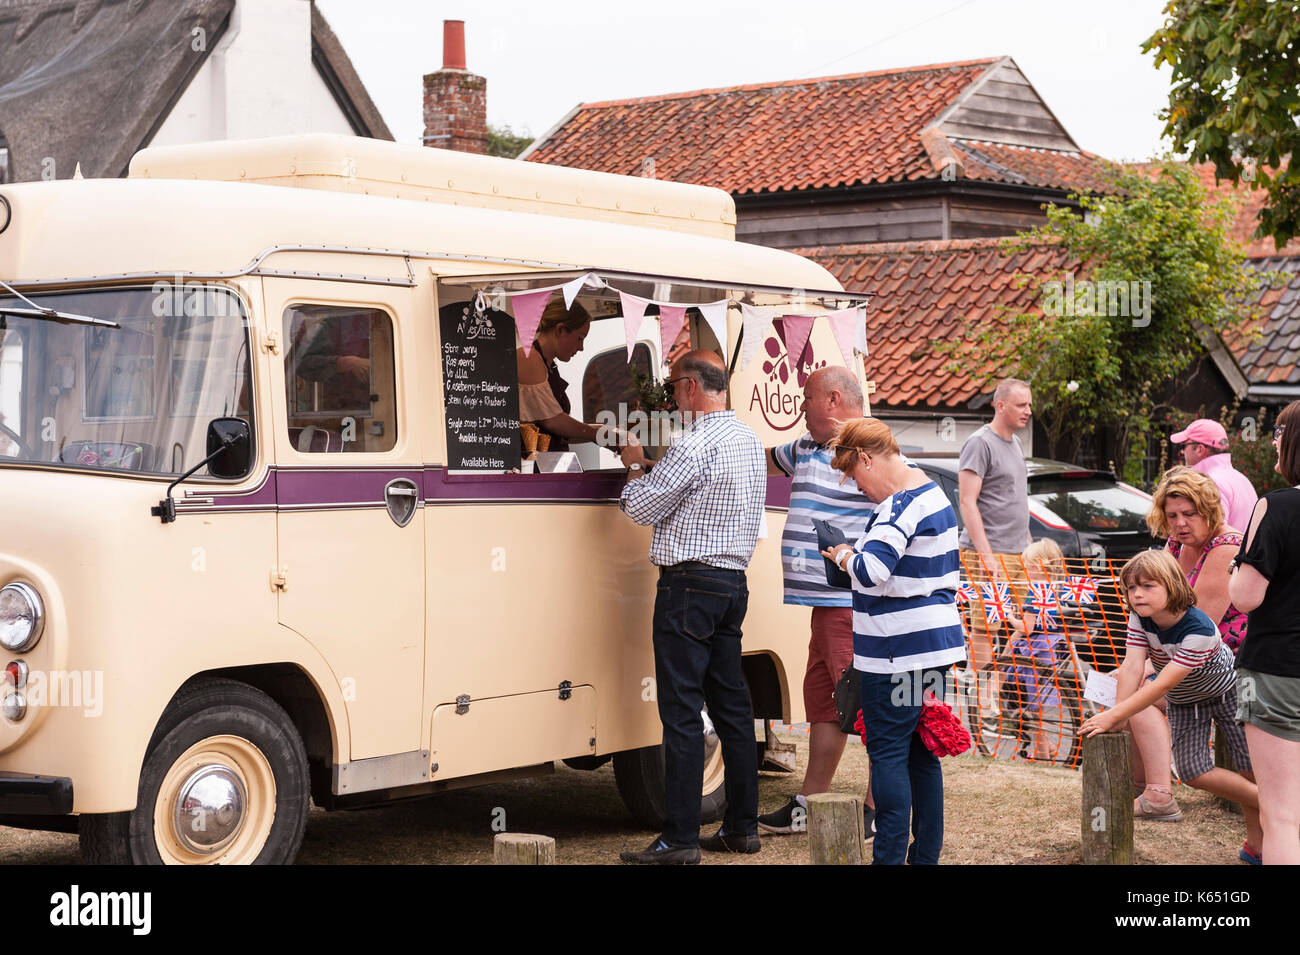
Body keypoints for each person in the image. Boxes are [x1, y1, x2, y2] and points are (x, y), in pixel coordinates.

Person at [616, 350, 766, 864]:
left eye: (675, 388)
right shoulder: (747, 439)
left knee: (681, 712)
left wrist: (635, 467)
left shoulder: (691, 444)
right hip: (732, 583)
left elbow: (640, 508)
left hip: (688, 584)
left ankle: (679, 839)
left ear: (693, 389)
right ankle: (742, 828)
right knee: (732, 708)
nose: (672, 398)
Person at [821, 417, 966, 865]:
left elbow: (872, 571)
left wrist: (843, 554)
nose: (860, 488)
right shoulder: (933, 492)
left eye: (856, 475)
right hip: (933, 649)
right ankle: (924, 856)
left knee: (887, 755)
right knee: (923, 753)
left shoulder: (900, 505)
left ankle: (885, 859)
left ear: (867, 457)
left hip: (893, 653)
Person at [1081, 549, 1261, 863]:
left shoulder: (1199, 629)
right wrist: (1117, 716)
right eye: (1131, 588)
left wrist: (1115, 714)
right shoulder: (1140, 617)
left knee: (1250, 769)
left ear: (1172, 585)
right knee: (1192, 772)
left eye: (1147, 586)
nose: (1137, 594)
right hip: (1186, 699)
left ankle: (1257, 846)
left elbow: (1162, 684)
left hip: (1231, 692)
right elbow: (1133, 667)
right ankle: (1274, 804)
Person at [758, 366, 876, 838]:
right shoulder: (806, 447)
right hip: (823, 605)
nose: (799, 408)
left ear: (831, 400)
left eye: (806, 399)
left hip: (848, 601)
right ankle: (809, 802)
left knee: (866, 707)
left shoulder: (868, 449)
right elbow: (762, 459)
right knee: (827, 706)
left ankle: (876, 811)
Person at [1127, 467, 1250, 822]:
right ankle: (1139, 787)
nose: (1180, 523)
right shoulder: (1178, 543)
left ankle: (1158, 794)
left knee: (1142, 701)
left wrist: (1149, 665)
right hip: (1180, 656)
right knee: (1125, 685)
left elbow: (1198, 624)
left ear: (1209, 509)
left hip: (1223, 662)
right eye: (1172, 516)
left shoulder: (1226, 546)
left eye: (1189, 514)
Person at [1229, 399, 1300, 865]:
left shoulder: (1274, 507)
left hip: (1274, 673)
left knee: (1282, 816)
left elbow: (1245, 597)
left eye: (1278, 431)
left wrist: (1239, 562)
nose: (1273, 440)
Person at [957, 378, 1033, 751]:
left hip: (1019, 553)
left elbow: (1016, 501)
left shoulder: (1016, 443)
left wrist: (1030, 548)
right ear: (1000, 405)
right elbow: (968, 502)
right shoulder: (980, 443)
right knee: (984, 629)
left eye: (1029, 405)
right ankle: (984, 706)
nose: (1028, 411)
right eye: (1021, 405)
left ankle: (995, 686)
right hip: (986, 554)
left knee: (1030, 621)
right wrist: (986, 556)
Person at [1002, 539, 1073, 761]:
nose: (1025, 571)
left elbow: (1027, 628)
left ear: (1038, 566)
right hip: (1055, 647)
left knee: (1031, 704)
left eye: (1027, 566)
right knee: (1037, 703)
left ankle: (1042, 752)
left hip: (1036, 649)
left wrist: (1010, 617)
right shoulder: (1059, 589)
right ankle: (1046, 746)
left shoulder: (1035, 593)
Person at [515, 298, 603, 452]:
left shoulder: (550, 365)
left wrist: (602, 432)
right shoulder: (528, 358)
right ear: (560, 330)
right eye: (579, 338)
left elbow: (560, 432)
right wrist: (597, 433)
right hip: (531, 468)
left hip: (549, 465)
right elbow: (553, 421)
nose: (581, 347)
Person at [1170, 418, 1257, 534]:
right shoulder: (1241, 479)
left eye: (1184, 446)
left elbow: (1214, 536)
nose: (1182, 452)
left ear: (1199, 449)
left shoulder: (1209, 482)